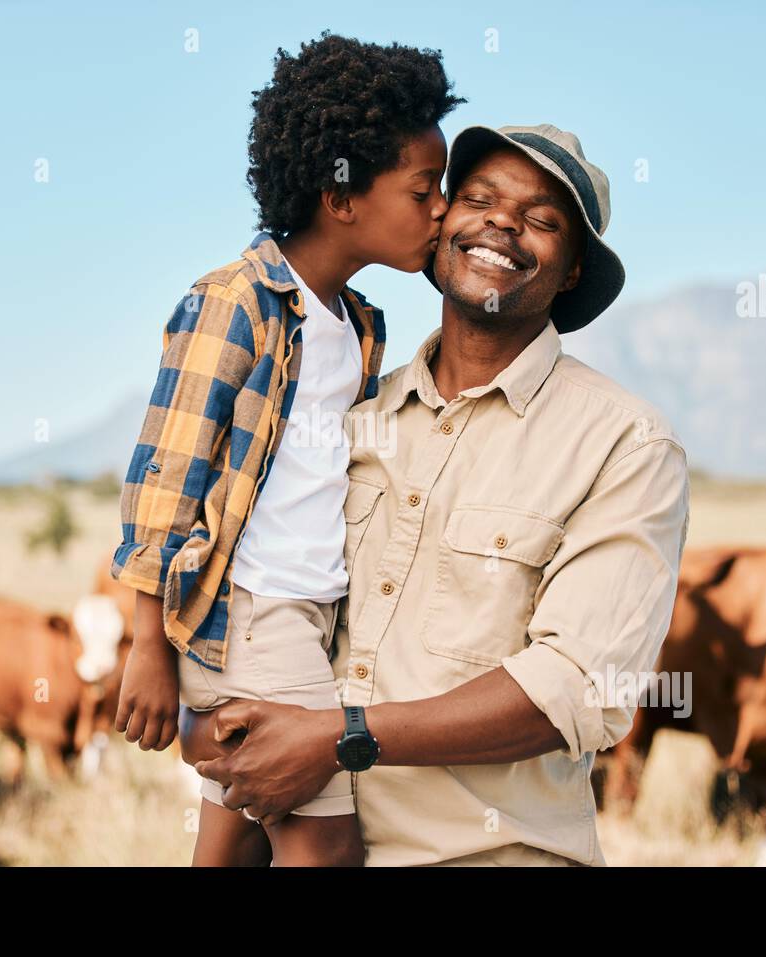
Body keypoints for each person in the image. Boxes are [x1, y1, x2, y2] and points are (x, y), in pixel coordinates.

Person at [181, 124, 692, 866]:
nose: (503, 223)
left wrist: (340, 736)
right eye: (477, 198)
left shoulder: (626, 444)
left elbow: (576, 686)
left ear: (574, 267)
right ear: (442, 222)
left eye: (543, 219)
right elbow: (259, 600)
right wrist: (203, 724)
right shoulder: (351, 418)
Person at [109, 33, 464, 866]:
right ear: (342, 198)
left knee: (233, 849)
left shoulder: (361, 325)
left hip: (314, 614)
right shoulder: (236, 304)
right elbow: (163, 475)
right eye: (424, 190)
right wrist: (148, 647)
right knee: (327, 849)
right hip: (255, 615)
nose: (443, 208)